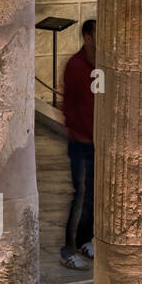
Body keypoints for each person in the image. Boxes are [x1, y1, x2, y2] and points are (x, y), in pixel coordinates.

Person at [60, 18, 97, 269]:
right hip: (81, 142)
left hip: (99, 142)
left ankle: (86, 240)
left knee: (95, 195)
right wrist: (77, 131)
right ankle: (68, 247)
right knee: (81, 193)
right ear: (88, 37)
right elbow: (69, 105)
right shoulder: (75, 65)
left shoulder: (103, 67)